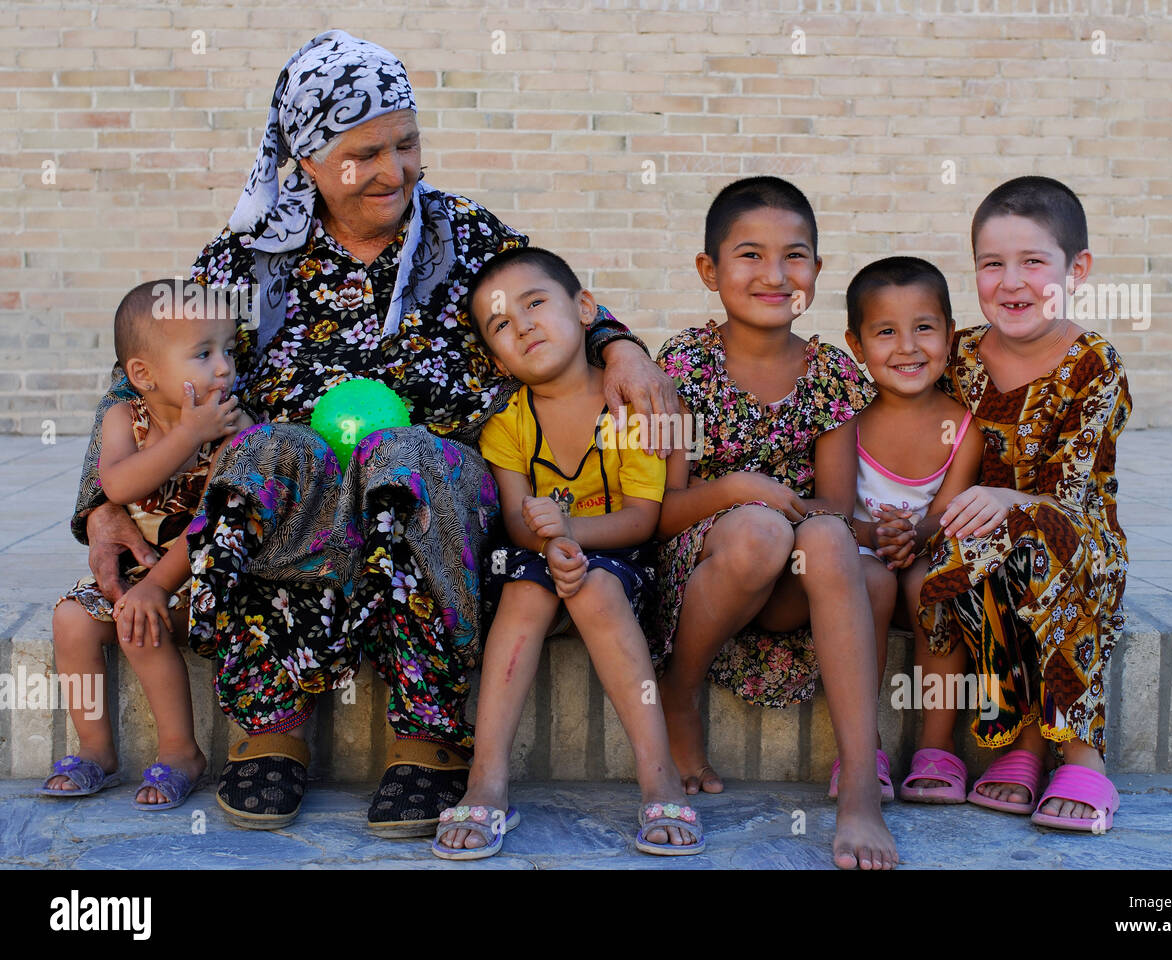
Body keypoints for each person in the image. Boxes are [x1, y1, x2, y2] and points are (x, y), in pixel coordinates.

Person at [68, 31, 678, 833]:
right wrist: (100, 505)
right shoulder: (251, 258)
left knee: (405, 457)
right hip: (298, 489)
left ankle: (427, 739)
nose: (394, 170)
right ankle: (272, 725)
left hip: (432, 487)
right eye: (364, 154)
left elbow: (548, 296)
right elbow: (143, 365)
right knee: (267, 452)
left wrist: (620, 343)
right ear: (309, 160)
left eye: (407, 143)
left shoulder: (461, 235)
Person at [652, 176, 897, 870]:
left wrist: (798, 513)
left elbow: (836, 509)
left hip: (794, 577)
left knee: (831, 543)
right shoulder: (684, 367)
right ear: (710, 271)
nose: (774, 274)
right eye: (750, 255)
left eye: (794, 256)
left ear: (816, 272)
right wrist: (737, 490)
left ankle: (859, 786)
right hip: (709, 571)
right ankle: (678, 693)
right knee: (759, 530)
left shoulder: (831, 376)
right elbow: (662, 514)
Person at [432, 246, 702, 858]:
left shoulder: (628, 408)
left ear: (584, 309)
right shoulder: (506, 425)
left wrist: (572, 534)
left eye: (535, 303)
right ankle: (487, 781)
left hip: (618, 555)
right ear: (493, 353)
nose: (523, 325)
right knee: (525, 591)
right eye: (501, 323)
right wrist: (551, 543)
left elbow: (644, 519)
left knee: (598, 586)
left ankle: (658, 777)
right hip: (534, 557)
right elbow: (516, 521)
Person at [918, 176, 1131, 832]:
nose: (1011, 282)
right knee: (950, 553)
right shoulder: (956, 360)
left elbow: (1069, 493)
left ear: (1078, 269)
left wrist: (1008, 496)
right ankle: (1013, 741)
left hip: (1078, 541)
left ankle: (1078, 752)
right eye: (991, 264)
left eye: (1033, 262)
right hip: (981, 535)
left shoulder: (1095, 365)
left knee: (1037, 544)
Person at [44, 281, 253, 810]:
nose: (224, 368)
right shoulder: (124, 420)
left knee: (141, 625)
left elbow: (213, 520)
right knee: (71, 619)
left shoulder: (234, 427)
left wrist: (155, 590)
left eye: (228, 350)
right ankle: (95, 750)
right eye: (203, 354)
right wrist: (184, 435)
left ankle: (181, 751)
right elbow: (116, 488)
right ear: (143, 374)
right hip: (139, 577)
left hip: (202, 579)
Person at [824, 257, 981, 804]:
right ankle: (860, 750)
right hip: (861, 562)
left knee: (932, 584)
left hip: (922, 555)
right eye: (886, 332)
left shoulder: (964, 428)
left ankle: (936, 746)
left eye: (924, 328)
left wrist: (916, 535)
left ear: (950, 335)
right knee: (872, 579)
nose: (908, 346)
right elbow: (836, 514)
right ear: (856, 343)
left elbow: (946, 513)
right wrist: (875, 537)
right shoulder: (846, 418)